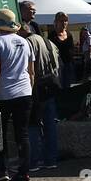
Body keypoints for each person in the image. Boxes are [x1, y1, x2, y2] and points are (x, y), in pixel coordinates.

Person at [0, 8, 34, 181]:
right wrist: (30, 88)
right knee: (22, 134)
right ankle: (24, 172)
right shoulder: (24, 42)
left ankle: (3, 170)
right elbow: (31, 71)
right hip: (24, 91)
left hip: (4, 92)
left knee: (0, 134)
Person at [22, 16, 61, 170]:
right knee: (50, 125)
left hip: (36, 86)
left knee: (32, 125)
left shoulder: (28, 42)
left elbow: (28, 67)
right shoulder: (49, 42)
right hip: (51, 85)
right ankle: (51, 160)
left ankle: (33, 161)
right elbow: (59, 65)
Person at [47, 11, 76, 90]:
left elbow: (72, 49)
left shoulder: (69, 34)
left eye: (66, 20)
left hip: (69, 64)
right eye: (61, 20)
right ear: (56, 22)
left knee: (70, 86)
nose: (64, 23)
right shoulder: (52, 35)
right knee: (60, 86)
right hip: (58, 66)